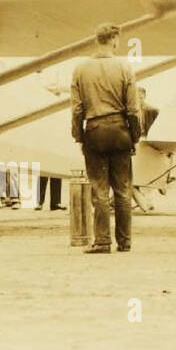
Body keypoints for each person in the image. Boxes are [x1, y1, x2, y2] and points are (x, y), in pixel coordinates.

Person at [70, 22, 141, 253]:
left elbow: (77, 109)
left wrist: (79, 136)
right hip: (120, 132)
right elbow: (133, 108)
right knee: (123, 189)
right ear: (114, 40)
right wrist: (134, 136)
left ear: (96, 40)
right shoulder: (125, 67)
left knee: (99, 190)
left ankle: (102, 241)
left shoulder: (80, 69)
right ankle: (125, 241)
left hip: (95, 131)